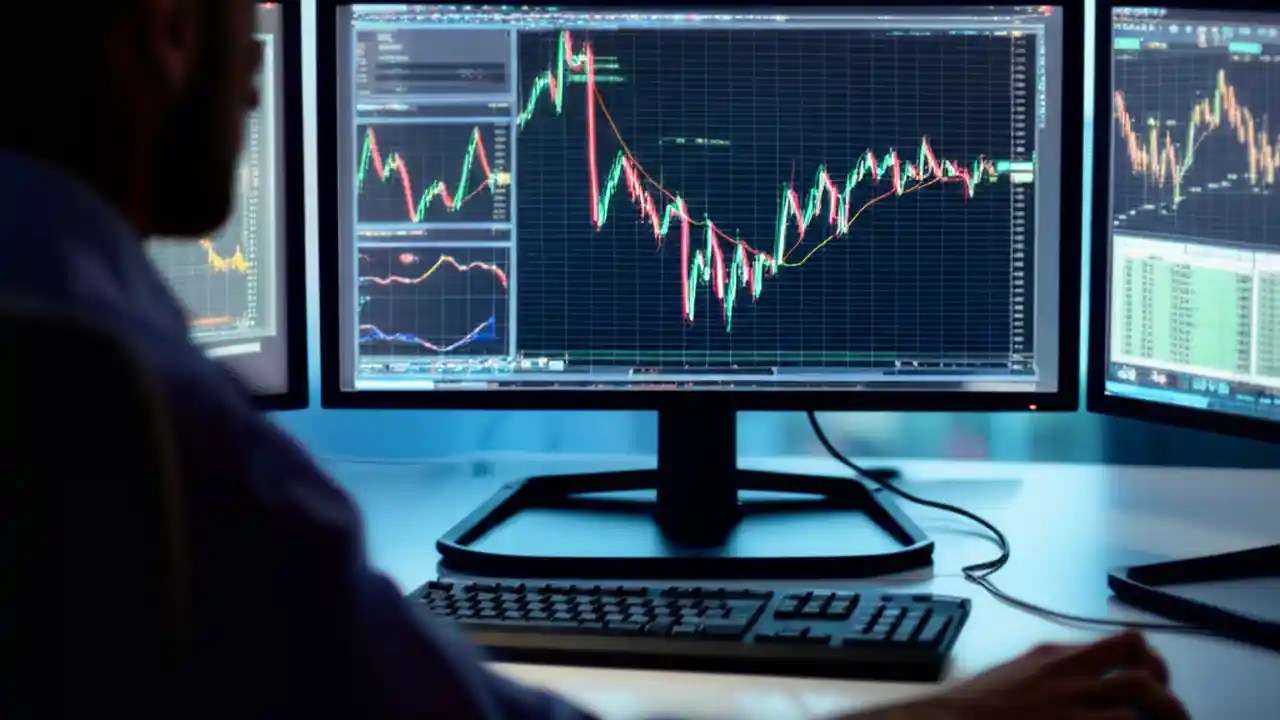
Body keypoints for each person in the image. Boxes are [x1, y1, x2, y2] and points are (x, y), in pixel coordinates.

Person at [0, 2, 1189, 719]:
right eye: (241, 21)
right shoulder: (157, 429)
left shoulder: (61, 342)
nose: (263, 69)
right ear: (164, 35)